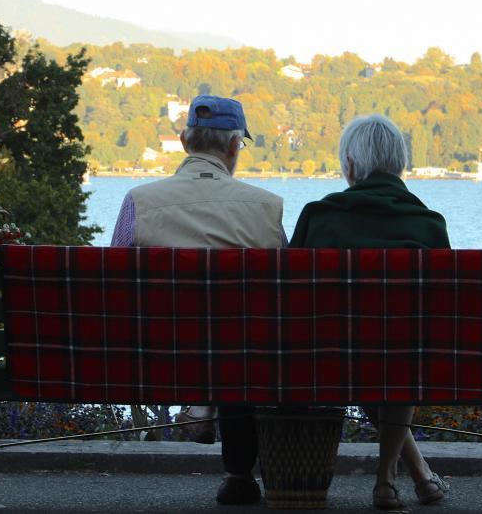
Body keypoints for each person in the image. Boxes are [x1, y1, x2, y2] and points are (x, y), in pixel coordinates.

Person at [111, 94, 286, 506]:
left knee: (219, 340)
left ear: (185, 142)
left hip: (153, 359)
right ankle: (239, 470)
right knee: (240, 339)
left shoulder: (139, 201)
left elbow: (114, 285)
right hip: (241, 363)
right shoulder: (267, 207)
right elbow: (283, 295)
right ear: (232, 147)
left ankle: (202, 402)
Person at [288, 114, 449, 510]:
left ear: (350, 165)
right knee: (398, 347)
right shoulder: (429, 225)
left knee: (362, 347)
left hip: (322, 361)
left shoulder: (318, 217)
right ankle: (391, 478)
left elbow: (288, 300)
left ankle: (409, 476)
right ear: (400, 166)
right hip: (405, 361)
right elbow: (441, 313)